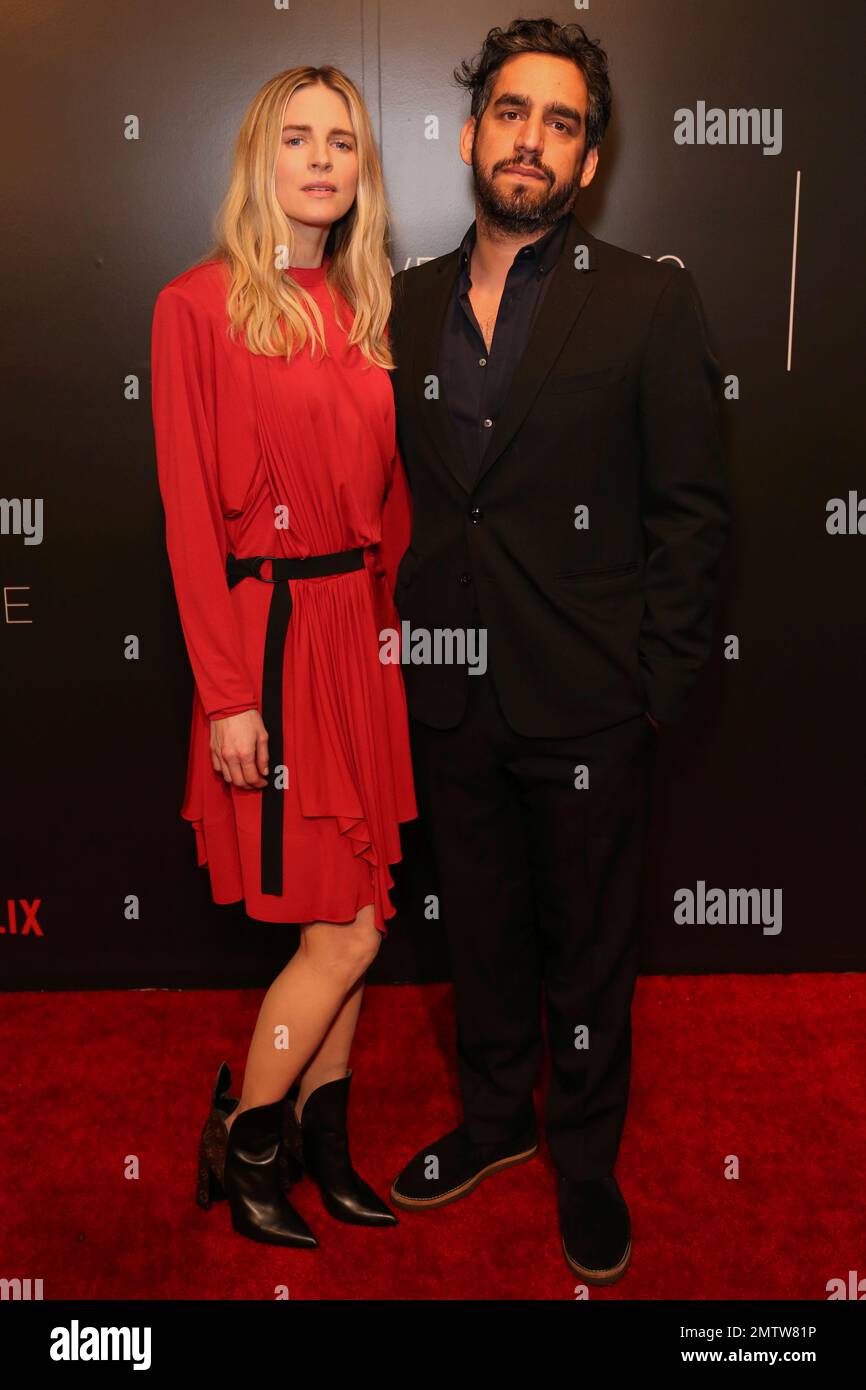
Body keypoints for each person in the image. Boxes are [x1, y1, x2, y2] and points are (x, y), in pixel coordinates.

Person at [387, 18, 730, 1283]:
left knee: (588, 943)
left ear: (585, 162)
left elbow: (691, 513)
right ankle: (491, 1123)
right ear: (472, 131)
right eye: (512, 111)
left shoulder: (646, 299)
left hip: (587, 700)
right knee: (475, 928)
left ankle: (581, 1158)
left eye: (562, 122)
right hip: (443, 692)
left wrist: (652, 686)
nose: (530, 139)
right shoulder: (402, 300)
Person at [151, 65, 417, 1247]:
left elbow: (390, 505)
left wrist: (390, 643)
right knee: (343, 931)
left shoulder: (368, 310)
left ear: (361, 171)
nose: (321, 159)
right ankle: (249, 1140)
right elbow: (182, 522)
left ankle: (321, 1148)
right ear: (259, 157)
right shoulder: (195, 306)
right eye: (297, 137)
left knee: (358, 910)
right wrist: (224, 698)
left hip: (356, 645)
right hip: (266, 647)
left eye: (343, 143)